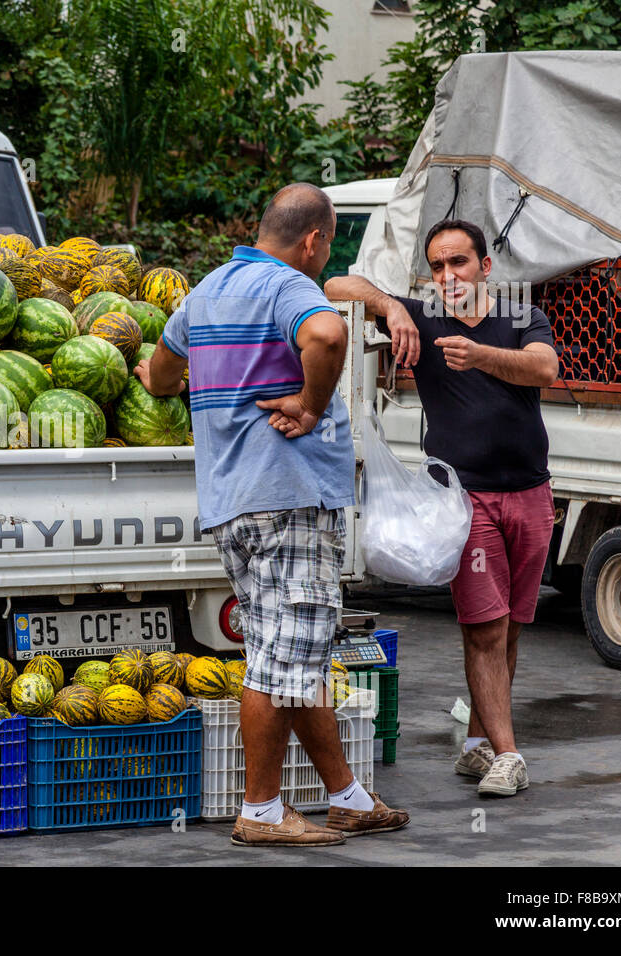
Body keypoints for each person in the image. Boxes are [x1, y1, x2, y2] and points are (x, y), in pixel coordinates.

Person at [136, 183, 409, 846]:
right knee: (280, 663)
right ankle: (260, 811)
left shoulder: (203, 292)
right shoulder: (288, 287)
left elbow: (161, 376)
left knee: (288, 655)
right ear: (313, 240)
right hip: (288, 498)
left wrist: (167, 381)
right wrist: (312, 407)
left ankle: (346, 797)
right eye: (327, 244)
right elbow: (325, 334)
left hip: (232, 505)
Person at [325, 218, 559, 798]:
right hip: (464, 500)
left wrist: (479, 355)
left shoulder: (523, 318)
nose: (448, 275)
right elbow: (335, 286)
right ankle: (508, 756)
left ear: (485, 266)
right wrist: (391, 306)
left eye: (458, 262)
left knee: (511, 630)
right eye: (437, 266)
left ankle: (479, 746)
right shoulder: (424, 318)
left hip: (532, 493)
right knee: (484, 626)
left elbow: (544, 368)